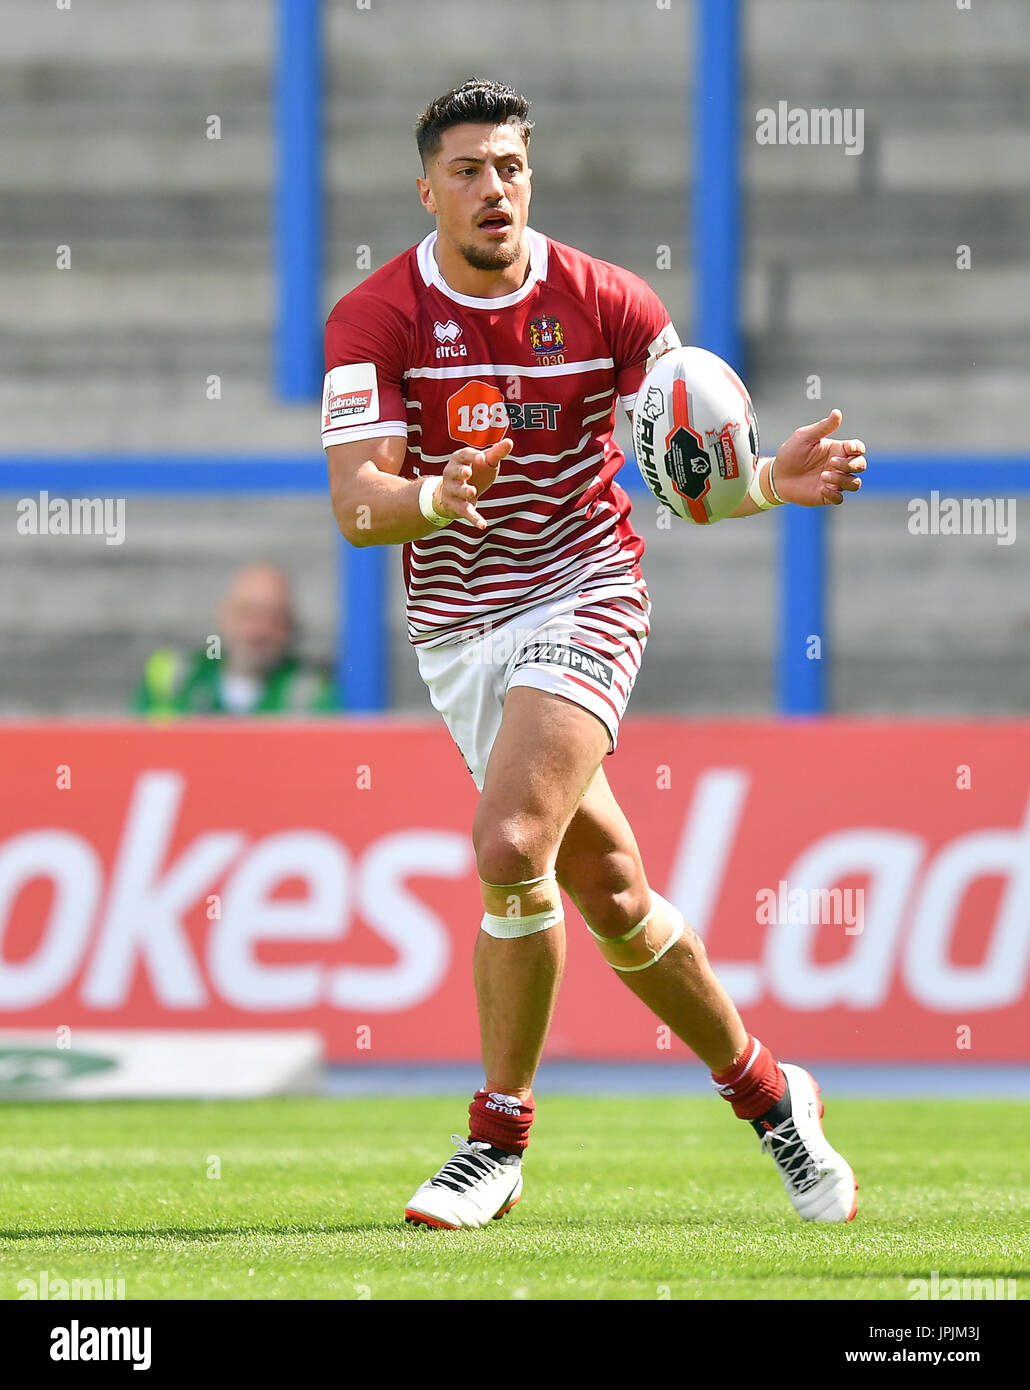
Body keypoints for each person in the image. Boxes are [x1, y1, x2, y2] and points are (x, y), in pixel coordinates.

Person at [323, 79, 866, 1229]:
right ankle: (773, 1092)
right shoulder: (371, 319)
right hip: (460, 633)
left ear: (531, 179)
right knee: (611, 894)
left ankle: (494, 1140)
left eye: (509, 167)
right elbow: (358, 506)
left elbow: (690, 482)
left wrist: (769, 481)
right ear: (428, 192)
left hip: (584, 591)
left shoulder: (611, 304)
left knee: (509, 839)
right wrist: (431, 492)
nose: (492, 188)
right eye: (466, 170)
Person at [132, 562, 338, 716]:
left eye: (273, 617)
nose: (258, 631)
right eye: (246, 613)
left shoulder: (311, 695)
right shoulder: (176, 679)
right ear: (223, 615)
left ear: (291, 625)